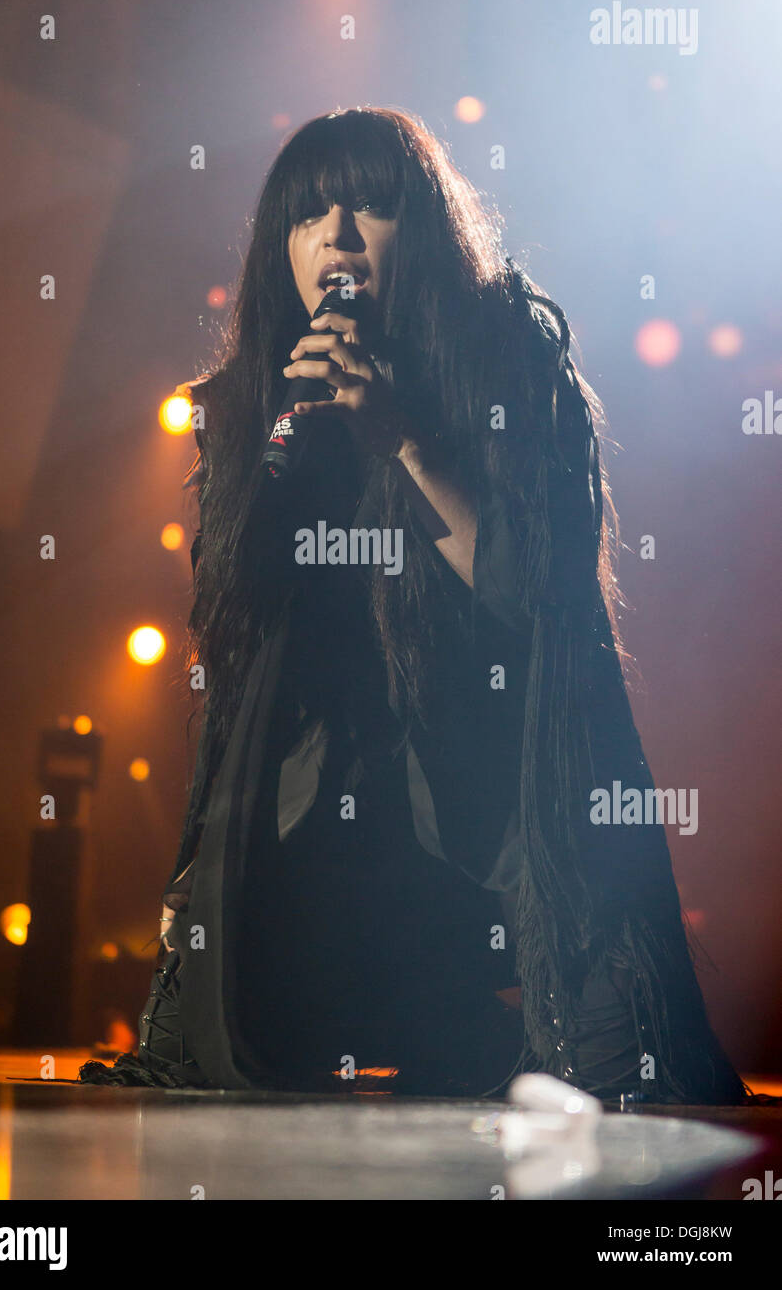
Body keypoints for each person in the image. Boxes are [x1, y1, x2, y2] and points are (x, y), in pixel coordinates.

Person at [80, 107, 746, 1102]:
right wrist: (269, 464)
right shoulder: (258, 392)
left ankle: (481, 1019)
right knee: (237, 1051)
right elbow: (229, 640)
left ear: (421, 228)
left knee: (614, 1067)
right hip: (342, 784)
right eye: (310, 216)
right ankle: (422, 1014)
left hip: (496, 761)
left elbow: (540, 595)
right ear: (281, 248)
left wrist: (400, 438)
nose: (338, 236)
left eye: (368, 209)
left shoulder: (505, 352)